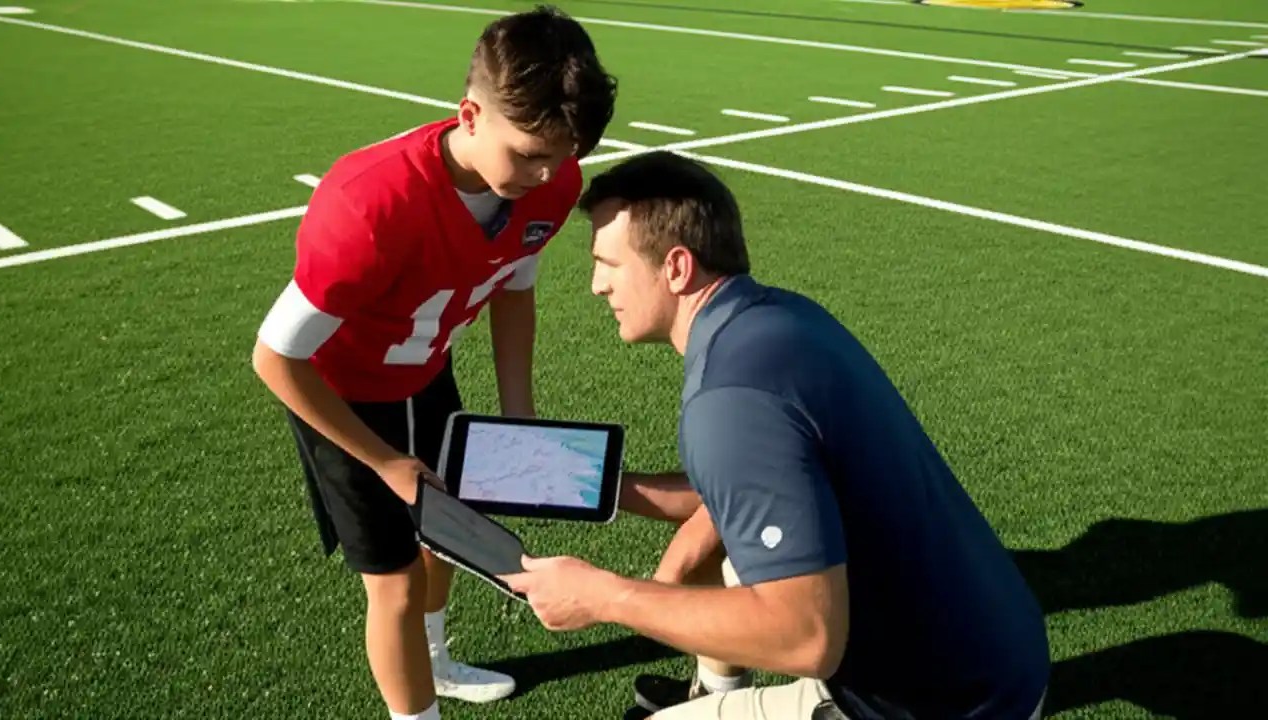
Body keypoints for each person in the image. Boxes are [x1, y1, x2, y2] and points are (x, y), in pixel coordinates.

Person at [502, 151, 1051, 720]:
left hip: (948, 707)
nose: (597, 285)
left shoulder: (729, 402)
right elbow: (755, 487)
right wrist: (595, 483)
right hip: (1003, 657)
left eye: (607, 263)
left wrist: (604, 596)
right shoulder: (779, 318)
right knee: (729, 552)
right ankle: (716, 696)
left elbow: (808, 638)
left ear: (677, 268)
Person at [250, 7, 617, 719]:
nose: (546, 173)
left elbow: (514, 289)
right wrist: (385, 461)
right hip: (341, 397)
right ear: (469, 115)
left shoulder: (551, 181)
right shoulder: (368, 205)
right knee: (392, 583)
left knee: (447, 536)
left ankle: (436, 662)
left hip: (426, 371)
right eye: (529, 154)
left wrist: (518, 416)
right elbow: (275, 357)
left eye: (561, 154)